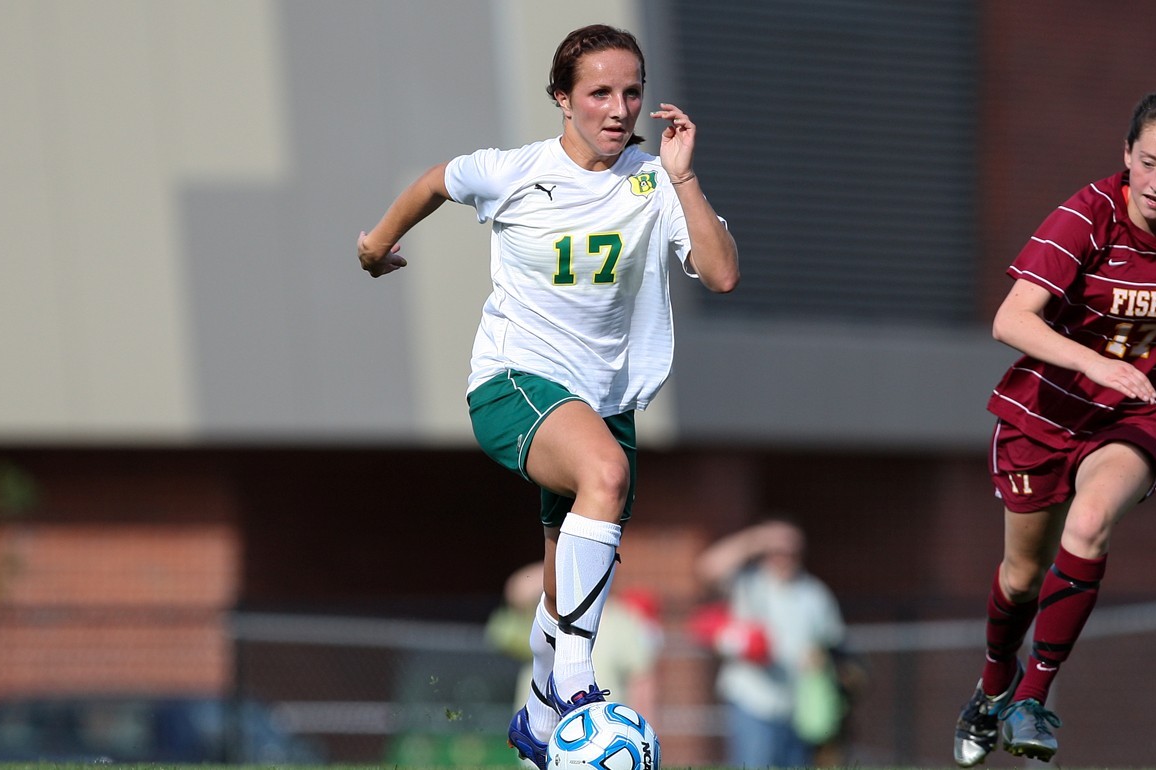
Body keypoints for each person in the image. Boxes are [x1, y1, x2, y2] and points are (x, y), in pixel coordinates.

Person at [357, 23, 739, 770]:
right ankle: (572, 681)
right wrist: (377, 243)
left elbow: (721, 274)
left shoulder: (653, 181)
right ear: (562, 98)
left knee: (567, 567)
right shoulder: (512, 171)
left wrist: (684, 176)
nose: (618, 107)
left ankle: (537, 721)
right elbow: (437, 179)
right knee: (605, 476)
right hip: (513, 383)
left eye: (632, 91)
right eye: (599, 91)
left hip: (604, 404)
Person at [953, 90, 1156, 766]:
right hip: (1049, 410)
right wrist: (1097, 366)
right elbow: (1011, 320)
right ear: (1126, 155)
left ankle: (1033, 696)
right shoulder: (1086, 215)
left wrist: (1129, 382)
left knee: (1090, 521)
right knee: (1021, 576)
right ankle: (994, 685)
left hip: (1151, 408)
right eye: (1149, 162)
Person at [694, 519, 847, 768]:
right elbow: (706, 567)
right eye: (777, 551)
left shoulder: (814, 594)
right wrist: (757, 538)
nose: (784, 557)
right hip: (752, 699)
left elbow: (832, 643)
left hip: (797, 704)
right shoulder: (747, 581)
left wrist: (819, 658)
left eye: (791, 552)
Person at [485, 560, 663, 749]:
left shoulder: (624, 618)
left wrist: (641, 739)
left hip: (601, 736)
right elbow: (519, 590)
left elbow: (642, 682)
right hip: (542, 730)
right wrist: (570, 557)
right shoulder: (551, 607)